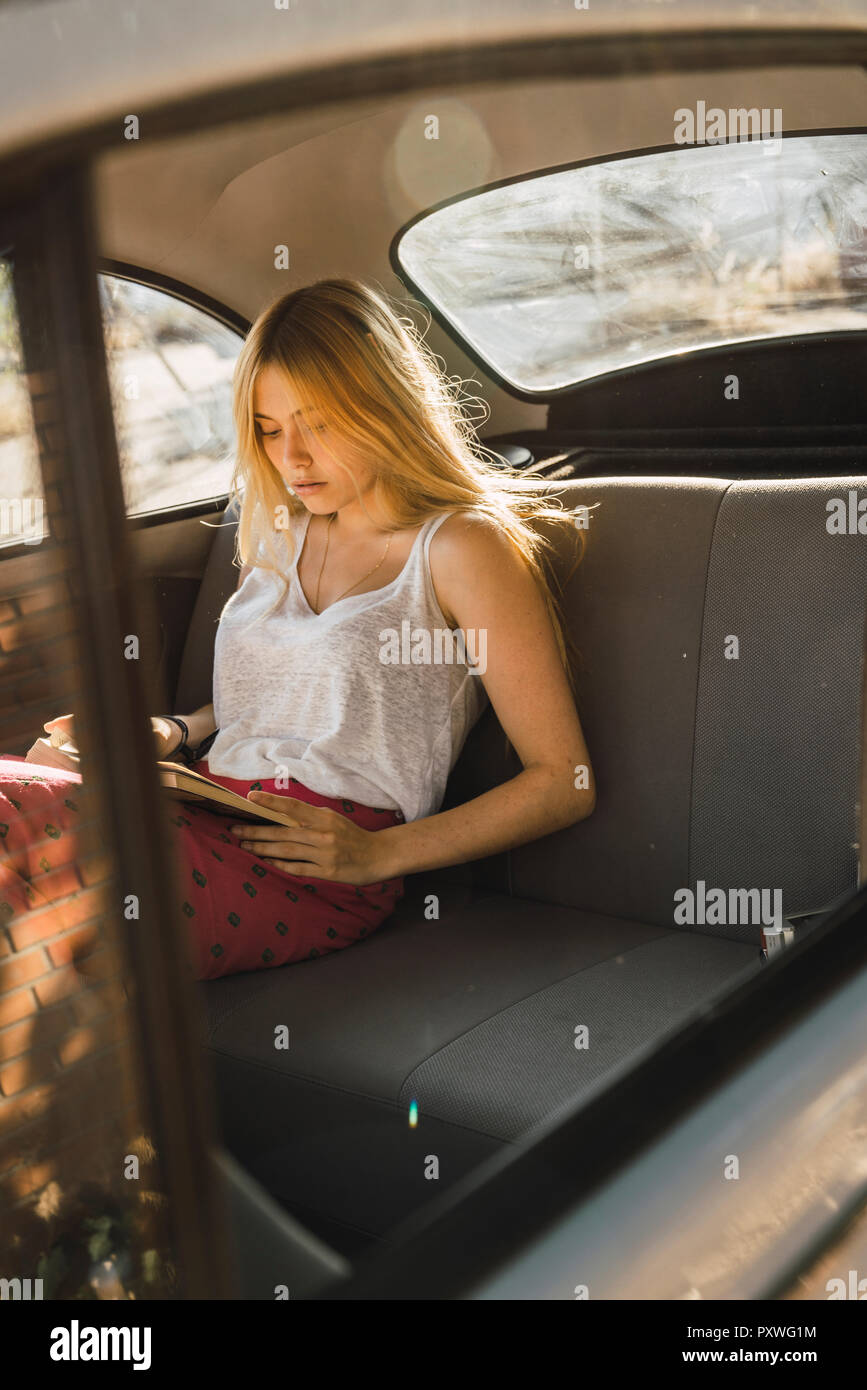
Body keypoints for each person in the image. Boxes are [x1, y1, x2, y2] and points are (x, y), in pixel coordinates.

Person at [1, 278, 596, 981]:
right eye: (269, 429)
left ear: (385, 408)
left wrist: (382, 855)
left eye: (317, 425)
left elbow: (564, 779)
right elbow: (283, 695)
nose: (293, 459)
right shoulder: (281, 529)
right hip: (204, 803)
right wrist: (177, 731)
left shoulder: (461, 547)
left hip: (312, 866)